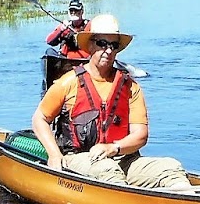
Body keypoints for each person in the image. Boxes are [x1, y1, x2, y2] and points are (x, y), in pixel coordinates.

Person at [30, 14, 189, 190]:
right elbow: (40, 119)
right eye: (102, 44)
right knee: (107, 170)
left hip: (122, 158)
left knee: (171, 167)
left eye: (113, 46)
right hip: (80, 159)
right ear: (90, 45)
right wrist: (54, 154)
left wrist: (114, 148)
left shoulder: (130, 87)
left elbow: (140, 135)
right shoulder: (68, 83)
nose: (108, 50)